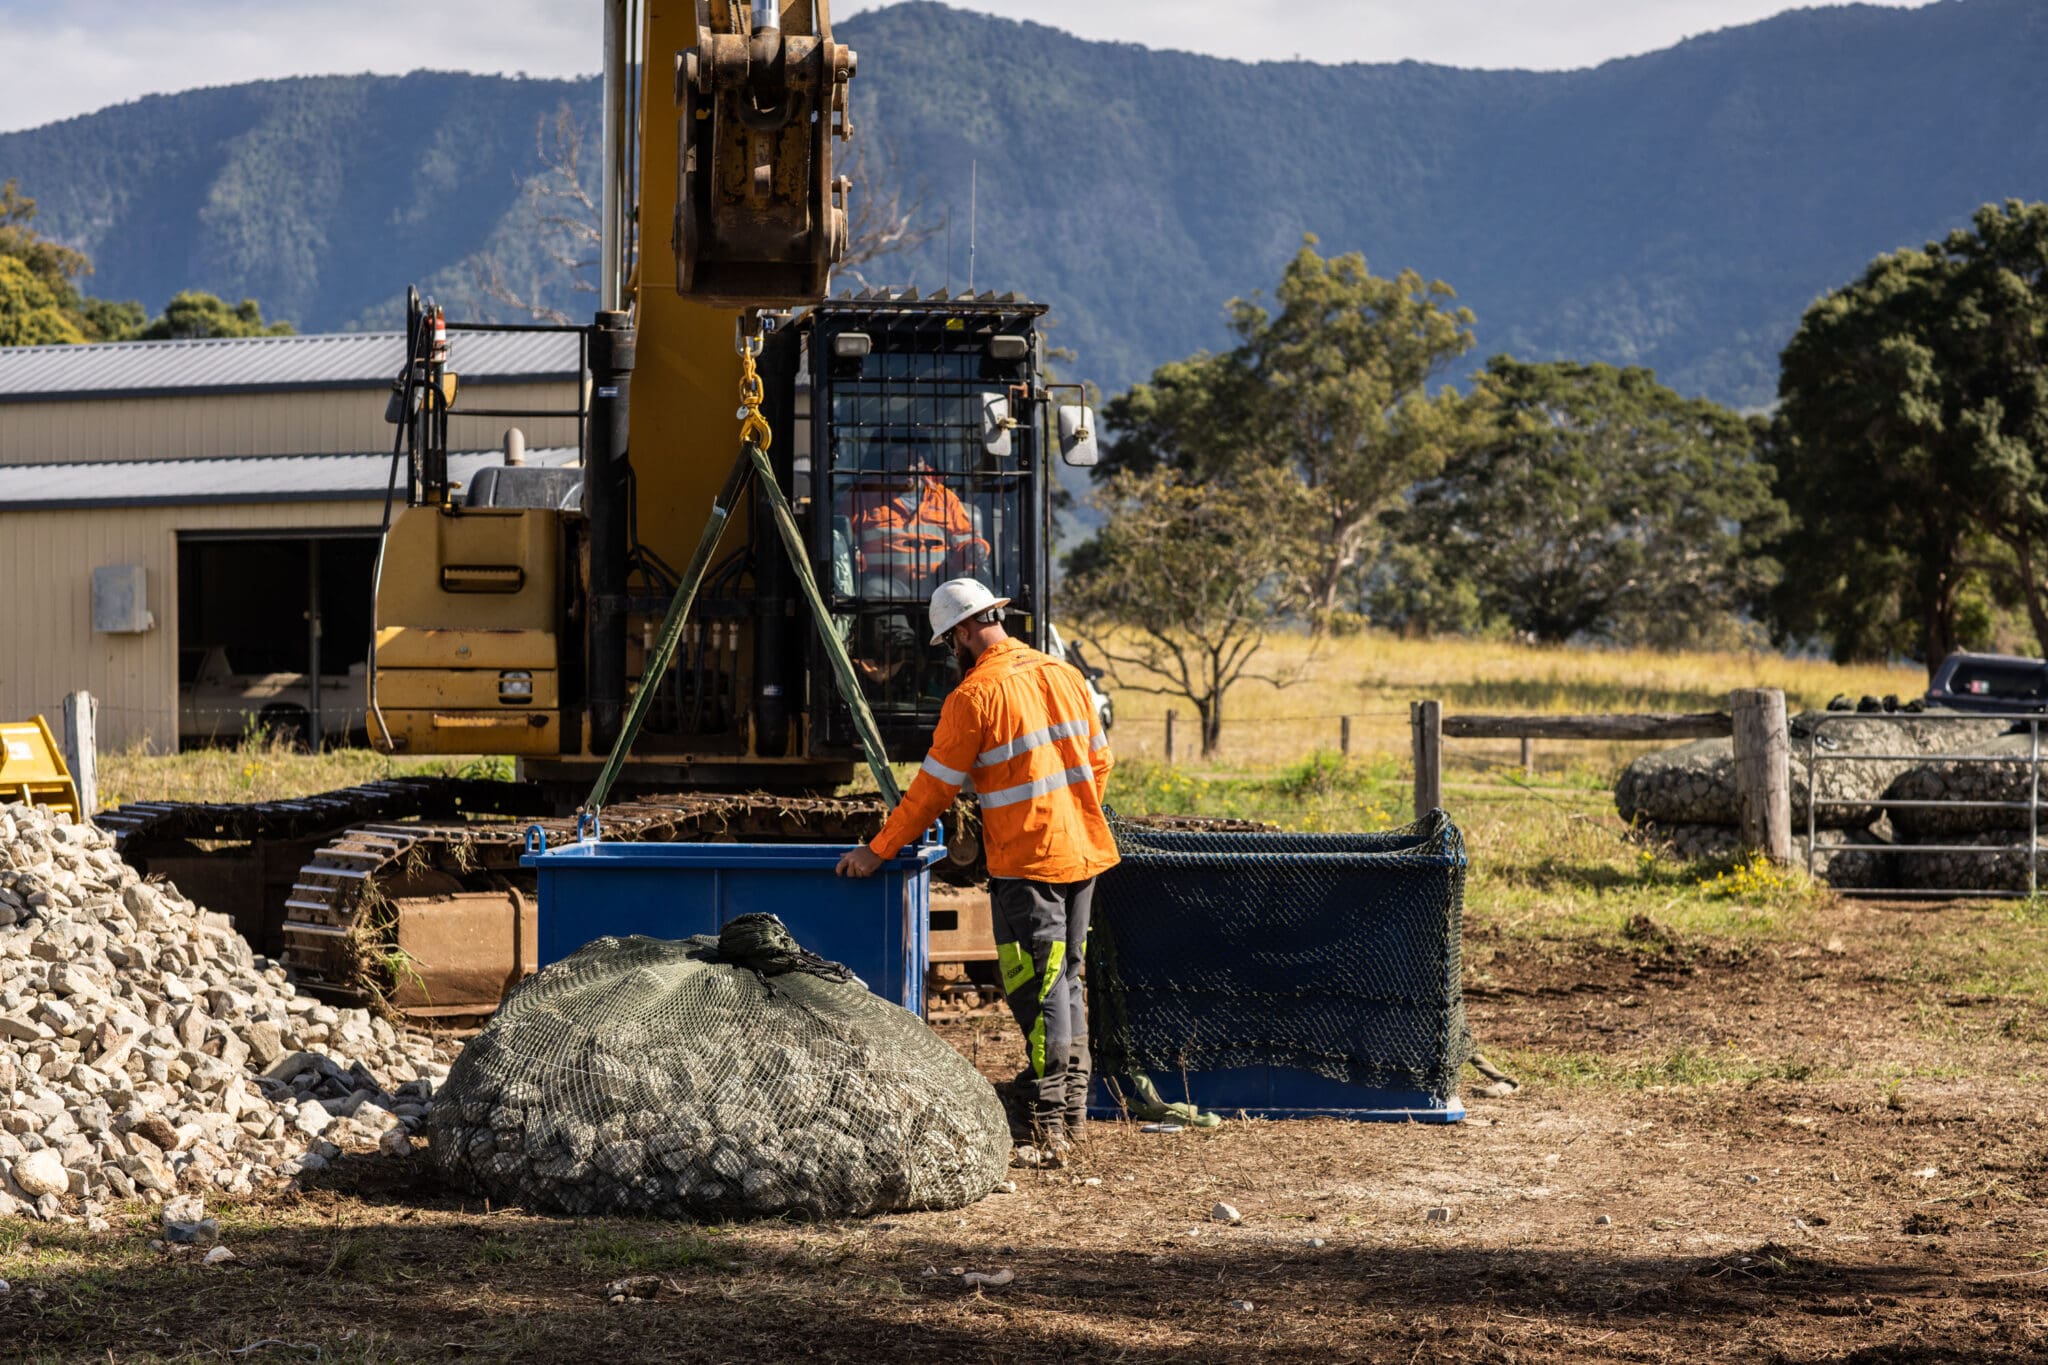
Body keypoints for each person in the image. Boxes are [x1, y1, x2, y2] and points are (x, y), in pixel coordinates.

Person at [836, 578, 1118, 1149]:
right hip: (1082, 854)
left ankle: (1049, 1120)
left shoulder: (973, 698)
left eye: (949, 642)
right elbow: (1100, 762)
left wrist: (877, 850)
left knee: (1038, 988)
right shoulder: (1066, 675)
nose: (951, 653)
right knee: (1066, 983)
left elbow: (931, 793)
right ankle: (1070, 1116)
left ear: (964, 631)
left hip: (1027, 866)